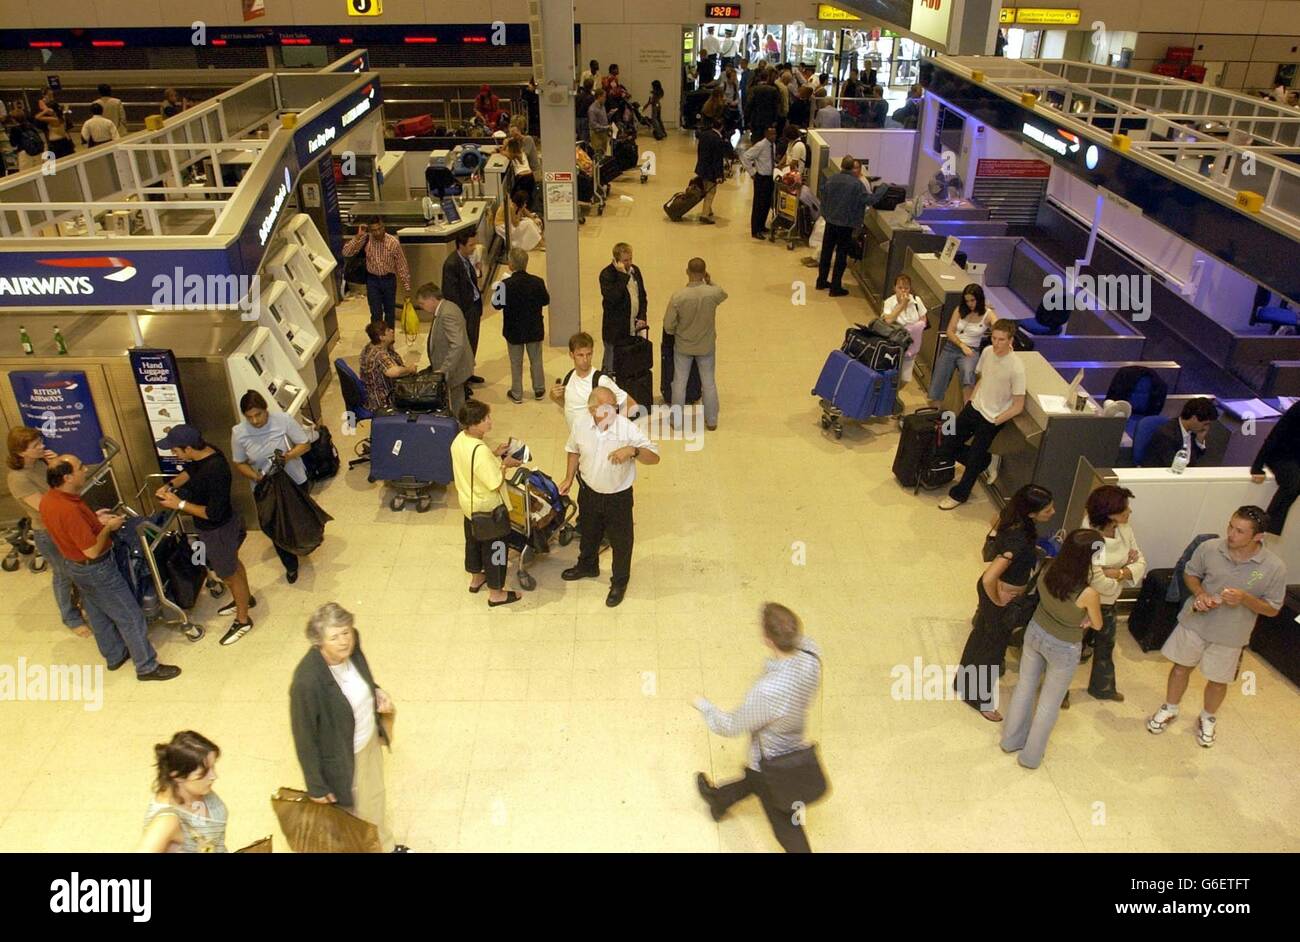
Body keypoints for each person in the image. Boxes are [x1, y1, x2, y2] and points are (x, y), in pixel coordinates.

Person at [1147, 506, 1286, 748]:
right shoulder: (1210, 548)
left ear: (1258, 537)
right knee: (1181, 668)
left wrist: (1245, 599)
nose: (1231, 534)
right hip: (1195, 623)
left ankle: (1208, 717)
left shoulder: (1274, 567)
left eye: (1240, 531)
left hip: (1231, 635)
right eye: (1230, 526)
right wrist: (1200, 593)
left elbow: (1272, 609)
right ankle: (1170, 707)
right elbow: (1191, 574)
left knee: (1218, 680)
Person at [694, 602, 822, 853]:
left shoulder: (769, 691)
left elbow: (732, 725)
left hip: (772, 762)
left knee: (786, 824)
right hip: (793, 741)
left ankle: (718, 800)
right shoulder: (812, 653)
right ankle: (718, 799)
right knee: (753, 779)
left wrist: (704, 706)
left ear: (767, 640)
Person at [39, 455, 180, 681]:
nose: (85, 470)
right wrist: (109, 527)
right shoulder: (68, 508)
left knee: (97, 613)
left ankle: (114, 655)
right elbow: (92, 550)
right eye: (80, 467)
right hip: (97, 568)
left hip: (76, 567)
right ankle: (146, 667)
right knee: (130, 616)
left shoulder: (50, 500)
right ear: (67, 477)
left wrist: (95, 520)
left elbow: (71, 531)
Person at [290, 602, 404, 852]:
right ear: (318, 642)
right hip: (342, 757)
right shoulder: (307, 682)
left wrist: (375, 690)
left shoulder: (352, 645)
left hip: (368, 741)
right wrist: (316, 786)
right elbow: (304, 737)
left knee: (374, 800)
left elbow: (361, 674)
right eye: (334, 637)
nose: (344, 641)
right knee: (354, 816)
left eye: (346, 632)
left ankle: (385, 846)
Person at [1000, 529, 1104, 769]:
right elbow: (1097, 623)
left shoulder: (1047, 567)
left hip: (1036, 631)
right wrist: (1088, 619)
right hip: (1064, 646)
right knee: (1048, 703)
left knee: (1025, 686)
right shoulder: (1088, 592)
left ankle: (1010, 740)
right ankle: (1030, 756)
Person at [954, 485, 1056, 720]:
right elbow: (990, 577)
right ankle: (980, 700)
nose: (1052, 512)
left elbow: (995, 522)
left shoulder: (1011, 518)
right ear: (1032, 513)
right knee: (993, 648)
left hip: (996, 591)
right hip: (1000, 596)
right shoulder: (1017, 542)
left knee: (981, 636)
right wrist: (999, 599)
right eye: (1048, 509)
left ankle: (965, 684)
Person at [154, 425, 255, 646]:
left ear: (189, 448)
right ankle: (244, 599)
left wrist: (179, 504)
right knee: (234, 565)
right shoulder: (206, 452)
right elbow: (190, 472)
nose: (174, 454)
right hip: (220, 528)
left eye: (176, 450)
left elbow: (212, 513)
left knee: (228, 574)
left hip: (219, 530)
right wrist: (170, 486)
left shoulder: (216, 470)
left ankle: (243, 619)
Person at [558, 388, 659, 607]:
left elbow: (655, 457)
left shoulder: (627, 428)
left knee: (621, 541)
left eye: (615, 407)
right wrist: (568, 477)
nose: (613, 411)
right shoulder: (581, 424)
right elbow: (573, 449)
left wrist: (633, 450)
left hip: (618, 497)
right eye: (607, 408)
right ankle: (587, 565)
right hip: (589, 491)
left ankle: (620, 581)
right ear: (592, 409)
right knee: (589, 532)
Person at [6, 428, 90, 637]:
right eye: (35, 446)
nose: (42, 447)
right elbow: (47, 507)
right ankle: (70, 617)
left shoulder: (40, 464)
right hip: (48, 531)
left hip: (64, 527)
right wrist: (59, 476)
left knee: (77, 570)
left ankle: (84, 607)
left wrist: (55, 467)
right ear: (21, 452)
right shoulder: (18, 478)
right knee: (63, 574)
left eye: (40, 442)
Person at [937, 318, 1025, 510]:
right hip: (975, 407)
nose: (996, 343)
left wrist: (995, 420)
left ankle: (960, 495)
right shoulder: (986, 352)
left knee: (974, 459)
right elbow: (983, 378)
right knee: (948, 441)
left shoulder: (1016, 368)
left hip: (992, 418)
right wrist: (971, 400)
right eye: (994, 338)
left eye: (1001, 339)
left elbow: (1018, 405)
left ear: (1010, 340)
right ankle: (985, 460)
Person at [231, 390, 315, 585]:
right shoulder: (239, 432)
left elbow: (304, 444)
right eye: (249, 417)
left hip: (293, 480)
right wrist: (256, 476)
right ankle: (290, 564)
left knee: (298, 518)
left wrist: (287, 457)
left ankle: (303, 543)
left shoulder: (283, 420)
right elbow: (239, 462)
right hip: (265, 487)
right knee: (276, 525)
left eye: (258, 414)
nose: (255, 420)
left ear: (265, 410)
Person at [451, 400, 523, 608]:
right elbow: (494, 483)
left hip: (469, 506)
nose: (490, 422)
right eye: (485, 419)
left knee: (473, 542)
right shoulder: (480, 451)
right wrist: (504, 465)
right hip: (489, 510)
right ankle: (496, 592)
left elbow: (472, 465)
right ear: (473, 424)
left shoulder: (459, 440)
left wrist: (495, 454)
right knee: (497, 550)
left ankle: (476, 578)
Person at [1083, 485, 1146, 703]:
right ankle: (1059, 692)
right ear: (1109, 514)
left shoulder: (1124, 529)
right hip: (1085, 602)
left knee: (1105, 645)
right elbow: (1096, 579)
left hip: (1109, 601)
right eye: (1124, 509)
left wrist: (1118, 573)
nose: (1129, 512)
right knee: (1071, 648)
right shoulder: (1092, 537)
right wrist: (1123, 574)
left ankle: (1102, 688)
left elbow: (1140, 561)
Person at [663, 258, 726, 431]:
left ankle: (676, 421)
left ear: (687, 271)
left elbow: (668, 325)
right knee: (709, 383)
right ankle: (712, 420)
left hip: (683, 346)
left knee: (679, 383)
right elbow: (723, 293)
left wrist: (677, 331)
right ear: (704, 272)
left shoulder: (679, 296)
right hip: (706, 346)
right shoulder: (712, 294)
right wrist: (709, 280)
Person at [138, 732, 227, 853]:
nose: (214, 776)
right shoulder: (166, 822)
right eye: (204, 772)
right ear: (177, 776)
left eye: (213, 767)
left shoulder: (196, 788)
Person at [493, 248, 550, 403]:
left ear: (511, 265)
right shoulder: (538, 281)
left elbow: (496, 305)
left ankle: (517, 393)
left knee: (516, 362)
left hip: (514, 331)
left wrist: (497, 289)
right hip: (534, 328)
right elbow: (546, 300)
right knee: (536, 360)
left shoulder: (505, 285)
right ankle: (539, 389)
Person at [927, 283, 998, 408]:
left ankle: (967, 410)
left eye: (972, 300)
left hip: (971, 350)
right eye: (967, 301)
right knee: (939, 377)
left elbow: (998, 328)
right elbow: (950, 331)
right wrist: (961, 345)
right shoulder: (960, 310)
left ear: (979, 299)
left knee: (968, 376)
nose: (970, 304)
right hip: (952, 346)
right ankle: (934, 410)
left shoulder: (988, 314)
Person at [551, 332, 637, 430]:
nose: (585, 359)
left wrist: (610, 429)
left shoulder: (601, 381)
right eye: (580, 355)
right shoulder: (569, 376)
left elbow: (631, 405)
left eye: (589, 354)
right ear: (571, 355)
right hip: (576, 440)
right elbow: (571, 405)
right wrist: (554, 397)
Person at [817, 157, 876, 296]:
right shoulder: (857, 184)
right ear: (852, 168)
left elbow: (823, 193)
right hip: (846, 224)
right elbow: (868, 200)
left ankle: (821, 281)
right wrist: (883, 189)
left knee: (827, 252)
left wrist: (825, 213)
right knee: (841, 255)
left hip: (830, 222)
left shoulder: (832, 179)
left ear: (842, 166)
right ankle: (835, 287)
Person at [417, 282, 475, 419]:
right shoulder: (449, 306)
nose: (421, 307)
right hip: (456, 366)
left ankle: (457, 430)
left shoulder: (446, 314)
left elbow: (457, 344)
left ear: (432, 299)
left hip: (453, 369)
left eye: (422, 303)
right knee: (457, 401)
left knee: (456, 404)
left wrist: (444, 369)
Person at [342, 216, 411, 329]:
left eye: (380, 229)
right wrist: (358, 236)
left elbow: (401, 264)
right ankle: (377, 340)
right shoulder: (366, 239)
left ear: (384, 227)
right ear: (370, 230)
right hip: (373, 280)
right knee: (375, 312)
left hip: (389, 280)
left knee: (389, 313)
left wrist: (407, 285)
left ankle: (389, 342)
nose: (378, 232)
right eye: (374, 230)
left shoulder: (393, 242)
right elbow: (346, 252)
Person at [1250, 398, 1300, 534]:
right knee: (1293, 483)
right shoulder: (1298, 409)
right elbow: (1275, 435)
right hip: (1281, 455)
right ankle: (1268, 525)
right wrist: (1257, 467)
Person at [440, 231, 485, 377]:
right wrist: (460, 315)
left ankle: (469, 373)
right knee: (464, 345)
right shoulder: (452, 264)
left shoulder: (466, 259)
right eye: (471, 245)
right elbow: (451, 293)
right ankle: (463, 379)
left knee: (473, 342)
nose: (474, 248)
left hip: (474, 306)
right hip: (465, 310)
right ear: (461, 245)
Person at [598, 242, 649, 372]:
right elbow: (613, 298)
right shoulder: (607, 275)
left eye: (630, 259)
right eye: (625, 260)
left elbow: (642, 296)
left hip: (633, 328)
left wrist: (642, 317)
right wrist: (622, 276)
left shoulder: (635, 271)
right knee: (610, 365)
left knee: (630, 363)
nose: (629, 263)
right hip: (615, 331)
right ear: (616, 260)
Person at [1140, 397, 1219, 468]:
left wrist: (1199, 441)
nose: (1206, 428)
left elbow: (1194, 461)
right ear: (1194, 418)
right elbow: (1174, 466)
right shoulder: (1166, 435)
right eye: (1205, 424)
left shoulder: (1193, 432)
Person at [359, 319, 418, 413]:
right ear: (382, 337)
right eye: (388, 330)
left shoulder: (369, 346)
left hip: (372, 395)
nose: (392, 331)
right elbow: (394, 372)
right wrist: (409, 369)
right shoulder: (379, 354)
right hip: (382, 401)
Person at [881, 273, 927, 385]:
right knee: (891, 373)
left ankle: (894, 395)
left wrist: (914, 329)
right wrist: (902, 304)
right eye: (900, 288)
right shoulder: (889, 302)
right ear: (894, 288)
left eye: (906, 288)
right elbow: (888, 320)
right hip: (894, 343)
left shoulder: (917, 301)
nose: (903, 291)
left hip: (911, 343)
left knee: (905, 378)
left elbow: (923, 319)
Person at [739, 125, 778, 240]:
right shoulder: (760, 145)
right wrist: (752, 172)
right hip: (761, 178)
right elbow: (745, 156)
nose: (773, 136)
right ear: (766, 134)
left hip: (770, 178)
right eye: (771, 134)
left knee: (766, 204)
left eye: (775, 134)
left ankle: (762, 226)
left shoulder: (773, 146)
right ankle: (755, 230)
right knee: (759, 205)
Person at [694, 118, 732, 223]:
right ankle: (705, 215)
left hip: (701, 167)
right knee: (711, 192)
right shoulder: (718, 140)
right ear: (722, 127)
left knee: (706, 189)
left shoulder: (704, 135)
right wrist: (719, 175)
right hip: (710, 171)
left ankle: (708, 210)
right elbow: (717, 160)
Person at [744, 69, 781, 142]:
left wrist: (747, 119)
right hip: (769, 120)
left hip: (756, 119)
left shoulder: (754, 89)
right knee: (767, 141)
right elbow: (776, 106)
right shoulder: (773, 90)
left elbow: (749, 105)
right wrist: (776, 119)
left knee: (756, 141)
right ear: (768, 78)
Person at [36, 89, 72, 158]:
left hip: (55, 143)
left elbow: (37, 117)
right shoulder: (62, 118)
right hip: (64, 140)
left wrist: (45, 111)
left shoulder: (53, 120)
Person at [502, 136, 535, 206]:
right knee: (528, 199)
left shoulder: (512, 155)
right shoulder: (522, 153)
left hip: (522, 179)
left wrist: (505, 144)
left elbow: (501, 151)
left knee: (515, 199)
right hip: (531, 177)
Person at [588, 87, 611, 156]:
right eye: (604, 97)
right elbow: (593, 125)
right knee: (598, 154)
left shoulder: (603, 106)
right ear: (599, 97)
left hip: (604, 134)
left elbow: (602, 118)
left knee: (604, 154)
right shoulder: (592, 109)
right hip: (596, 135)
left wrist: (609, 114)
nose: (605, 99)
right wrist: (606, 127)